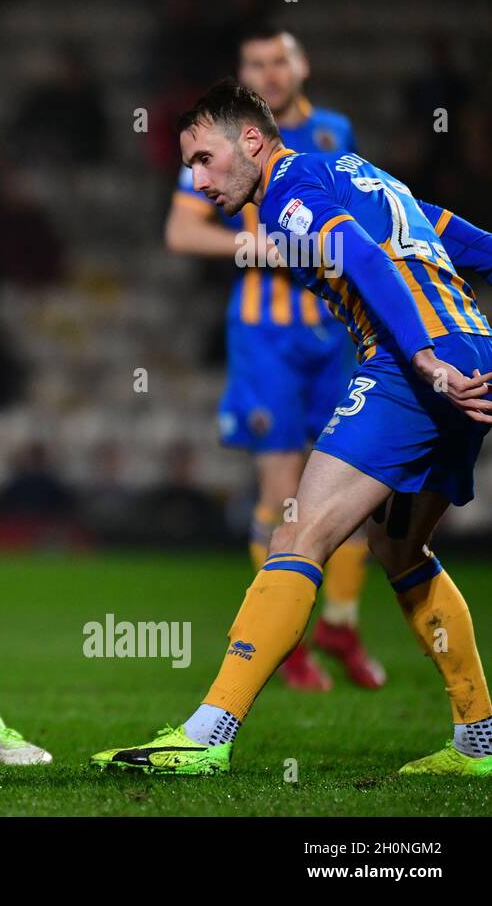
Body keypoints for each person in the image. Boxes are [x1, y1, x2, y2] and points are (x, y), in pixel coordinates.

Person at [93, 79, 492, 776]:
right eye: (188, 166)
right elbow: (455, 237)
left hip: (415, 367)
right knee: (401, 551)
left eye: (204, 158)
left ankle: (205, 736)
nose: (197, 178)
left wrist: (424, 358)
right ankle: (478, 743)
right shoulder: (354, 173)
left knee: (298, 534)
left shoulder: (287, 192)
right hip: (473, 351)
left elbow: (361, 260)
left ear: (252, 140)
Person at [164, 26, 381, 691]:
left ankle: (340, 623)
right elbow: (180, 230)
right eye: (255, 62)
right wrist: (252, 249)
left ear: (302, 64)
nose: (270, 72)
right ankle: (284, 642)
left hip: (337, 327)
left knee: (356, 482)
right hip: (267, 336)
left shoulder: (333, 132)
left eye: (279, 59)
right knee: (281, 488)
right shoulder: (217, 140)